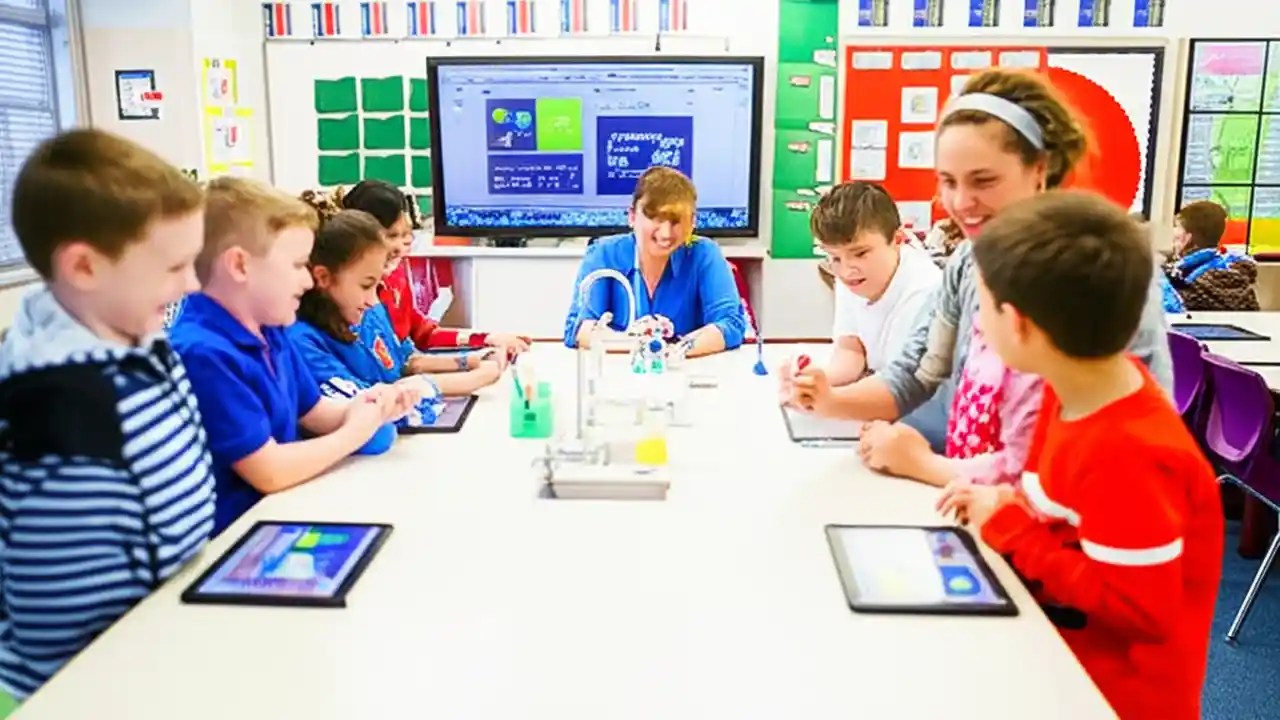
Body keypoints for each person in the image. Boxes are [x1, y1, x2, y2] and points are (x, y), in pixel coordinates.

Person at [937, 190, 1222, 720]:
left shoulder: (1132, 453)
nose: (977, 325)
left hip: (1114, 700)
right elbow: (1058, 498)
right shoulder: (1066, 390)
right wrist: (1006, 497)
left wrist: (1013, 529)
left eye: (982, 310)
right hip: (1056, 660)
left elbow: (1139, 609)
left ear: (1018, 324)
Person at [787, 69, 1173, 434]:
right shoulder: (967, 263)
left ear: (1039, 169)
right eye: (948, 181)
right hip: (980, 484)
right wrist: (828, 399)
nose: (961, 202)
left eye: (983, 180)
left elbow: (1109, 435)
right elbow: (917, 375)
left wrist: (926, 463)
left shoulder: (1099, 270)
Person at [0, 130, 215, 711]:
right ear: (85, 268)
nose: (192, 285)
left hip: (159, 626)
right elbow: (63, 612)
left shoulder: (133, 337)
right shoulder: (63, 408)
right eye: (174, 267)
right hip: (89, 680)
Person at [171, 177, 410, 535]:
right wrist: (355, 432)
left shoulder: (271, 329)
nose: (309, 281)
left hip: (283, 514)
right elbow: (270, 471)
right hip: (237, 538)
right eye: (298, 265)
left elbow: (315, 413)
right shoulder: (204, 351)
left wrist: (370, 406)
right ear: (240, 266)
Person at [286, 204, 505, 419]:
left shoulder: (366, 313)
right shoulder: (304, 342)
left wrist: (470, 361)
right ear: (323, 278)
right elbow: (373, 414)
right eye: (365, 285)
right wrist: (472, 378)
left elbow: (402, 362)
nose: (373, 300)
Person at [324, 180, 531, 355]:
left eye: (407, 234)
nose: (403, 245)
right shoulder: (348, 299)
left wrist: (487, 339)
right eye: (392, 236)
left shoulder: (395, 279)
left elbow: (423, 333)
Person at [563, 166, 746, 356]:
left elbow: (730, 324)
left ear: (692, 222)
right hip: (619, 374)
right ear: (632, 216)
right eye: (654, 219)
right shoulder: (604, 253)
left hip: (683, 372)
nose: (666, 234)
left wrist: (672, 352)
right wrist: (638, 347)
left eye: (676, 221)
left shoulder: (704, 254)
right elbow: (579, 329)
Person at [794, 181, 940, 387]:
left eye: (861, 253)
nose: (846, 271)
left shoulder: (926, 292)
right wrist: (817, 381)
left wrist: (830, 400)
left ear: (898, 239)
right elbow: (851, 349)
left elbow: (905, 385)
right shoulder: (851, 276)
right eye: (834, 258)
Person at [1164, 200, 1259, 311]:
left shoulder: (1188, 284)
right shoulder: (1233, 270)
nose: (1172, 233)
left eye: (1176, 227)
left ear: (1187, 238)